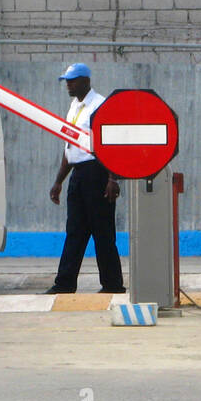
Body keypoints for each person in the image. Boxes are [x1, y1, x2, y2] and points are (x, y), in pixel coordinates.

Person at [46, 62, 125, 294]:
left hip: (97, 171)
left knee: (103, 231)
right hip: (78, 174)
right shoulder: (74, 107)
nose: (68, 85)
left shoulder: (99, 105)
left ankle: (112, 284)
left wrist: (113, 179)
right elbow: (70, 147)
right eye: (67, 81)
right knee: (75, 231)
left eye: (72, 80)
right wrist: (59, 181)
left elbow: (110, 143)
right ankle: (65, 283)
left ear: (86, 81)